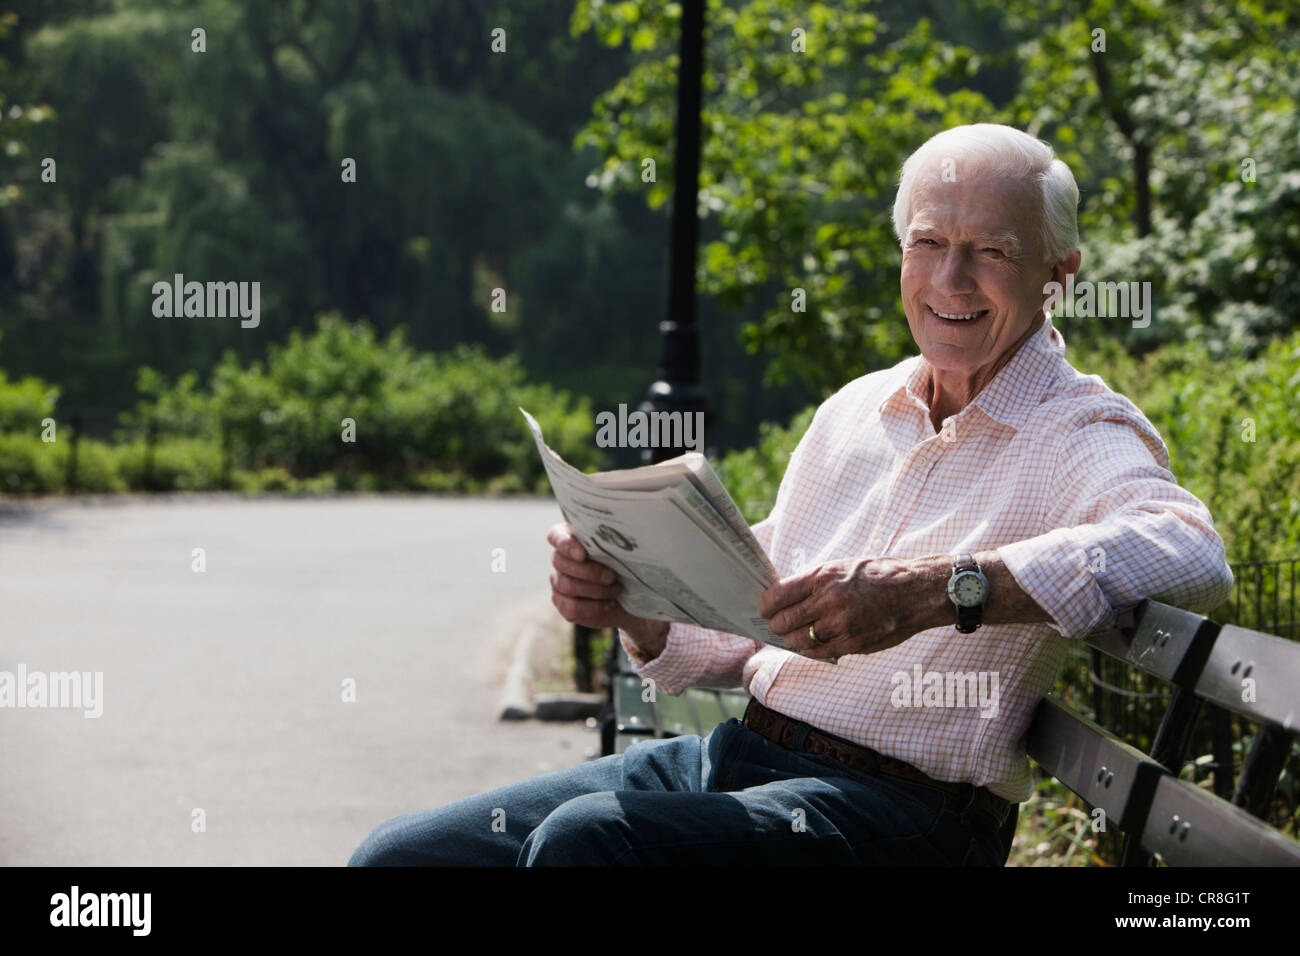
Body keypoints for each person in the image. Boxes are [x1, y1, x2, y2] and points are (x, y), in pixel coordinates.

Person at [348, 123, 1234, 866]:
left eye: (991, 252)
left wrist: (937, 590)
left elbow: (1191, 550)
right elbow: (755, 616)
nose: (950, 280)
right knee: (399, 857)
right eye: (928, 244)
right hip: (738, 759)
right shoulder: (858, 410)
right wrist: (638, 611)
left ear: (1060, 275)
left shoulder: (1078, 430)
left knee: (590, 846)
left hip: (899, 818)